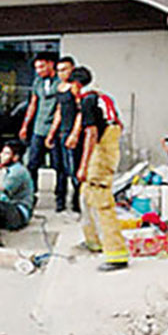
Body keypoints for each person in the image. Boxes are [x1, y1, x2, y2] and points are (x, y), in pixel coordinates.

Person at [68, 66, 129, 272]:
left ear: (77, 85)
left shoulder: (87, 101)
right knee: (85, 195)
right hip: (108, 145)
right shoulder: (102, 97)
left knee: (101, 198)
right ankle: (93, 241)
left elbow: (92, 134)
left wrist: (83, 166)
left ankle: (116, 253)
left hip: (102, 150)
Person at [19, 51, 67, 211]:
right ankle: (31, 196)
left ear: (50, 64)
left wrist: (52, 133)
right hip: (39, 129)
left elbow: (61, 107)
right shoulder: (38, 82)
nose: (39, 70)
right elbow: (33, 103)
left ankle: (60, 199)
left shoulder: (60, 82)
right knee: (32, 164)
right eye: (36, 68)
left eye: (41, 66)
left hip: (56, 130)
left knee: (59, 167)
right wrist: (25, 125)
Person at [45, 55, 82, 214]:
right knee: (59, 169)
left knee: (73, 169)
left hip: (72, 134)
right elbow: (59, 112)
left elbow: (81, 112)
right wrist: (51, 133)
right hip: (61, 133)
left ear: (72, 69)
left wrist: (74, 133)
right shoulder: (60, 88)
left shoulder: (76, 87)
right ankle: (60, 201)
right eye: (59, 70)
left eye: (64, 70)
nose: (61, 73)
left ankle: (77, 202)